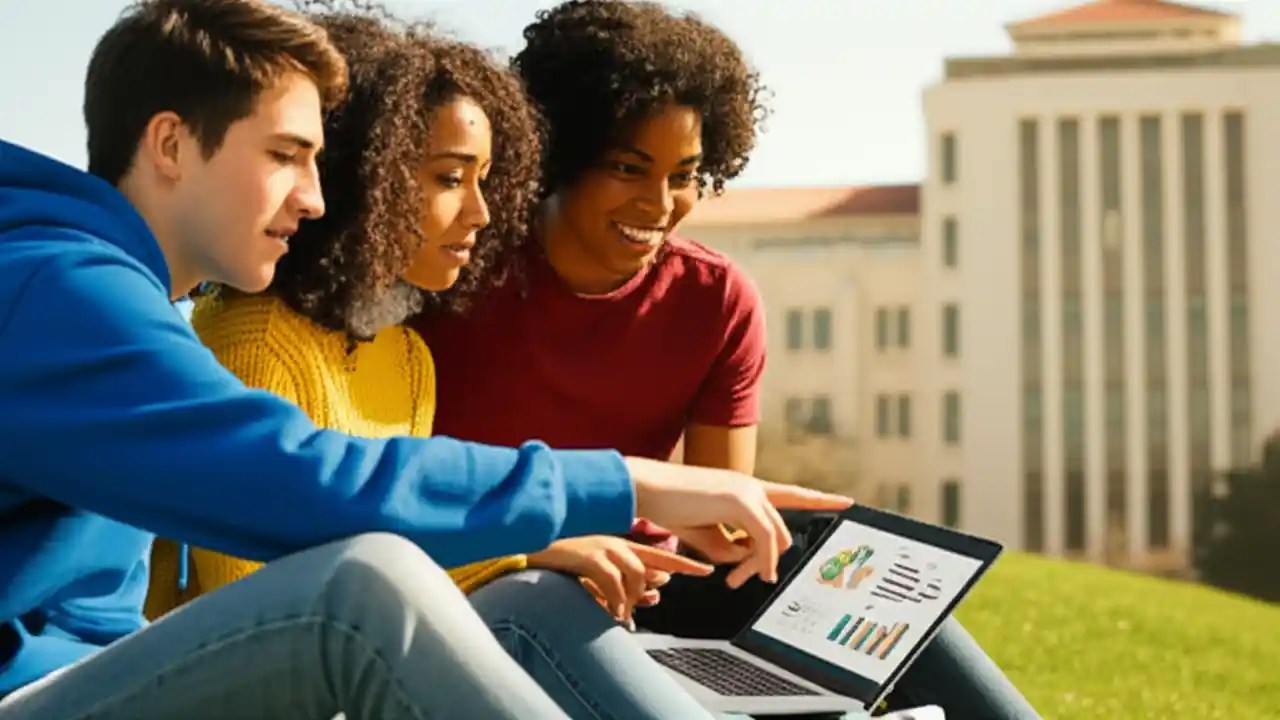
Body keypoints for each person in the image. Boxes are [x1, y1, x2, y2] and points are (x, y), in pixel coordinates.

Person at [0, 1, 851, 718]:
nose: (316, 195)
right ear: (172, 145)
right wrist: (622, 484)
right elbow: (301, 485)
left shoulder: (114, 295)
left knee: (480, 590)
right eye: (285, 156)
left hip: (86, 672)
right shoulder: (62, 288)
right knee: (365, 585)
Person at [413, 1, 1039, 718]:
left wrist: (810, 564)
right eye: (627, 167)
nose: (659, 203)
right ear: (562, 150)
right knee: (551, 595)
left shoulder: (716, 301)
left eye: (685, 174)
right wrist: (546, 543)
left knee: (880, 610)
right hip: (510, 581)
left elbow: (716, 516)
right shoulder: (455, 271)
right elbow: (394, 488)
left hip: (652, 586)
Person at [141, 12, 739, 718]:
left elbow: (398, 552)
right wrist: (524, 546)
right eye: (451, 178)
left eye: (488, 179)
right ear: (370, 175)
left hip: (357, 651)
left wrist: (530, 555)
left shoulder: (407, 355)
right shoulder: (256, 342)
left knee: (538, 598)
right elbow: (283, 602)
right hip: (253, 685)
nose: (483, 213)